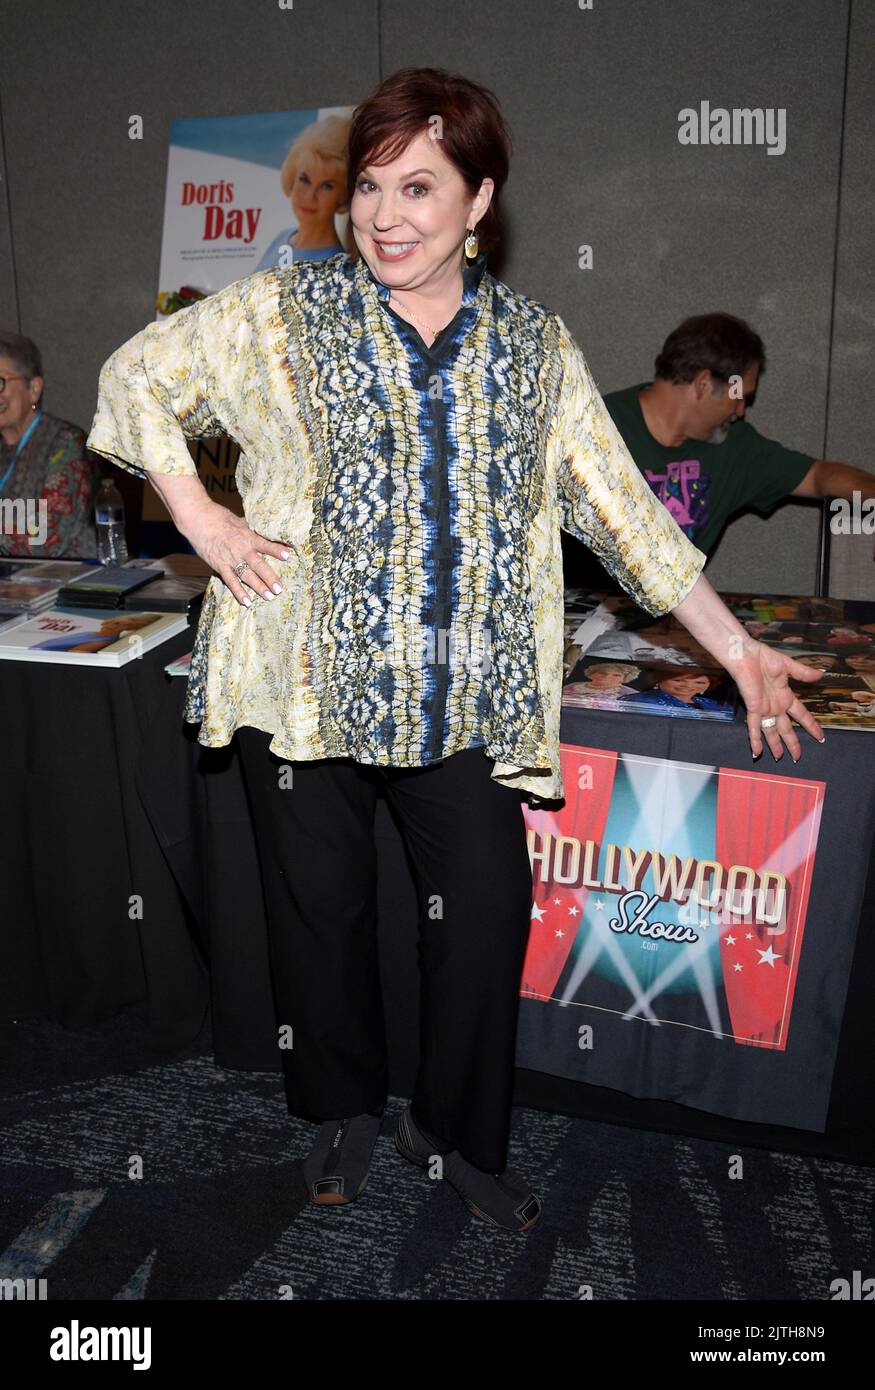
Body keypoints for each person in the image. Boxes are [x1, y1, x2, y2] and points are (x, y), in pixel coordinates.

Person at [86, 67, 825, 1236]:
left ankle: (457, 1129)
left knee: (479, 914)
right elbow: (136, 376)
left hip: (466, 698)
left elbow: (625, 514)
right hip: (306, 681)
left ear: (479, 201)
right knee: (319, 913)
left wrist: (735, 651)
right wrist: (204, 520)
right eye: (369, 185)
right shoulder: (283, 312)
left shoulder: (534, 345)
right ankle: (337, 1105)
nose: (382, 213)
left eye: (418, 187)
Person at [562, 312, 875, 584]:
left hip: (670, 629)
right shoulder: (594, 429)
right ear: (703, 384)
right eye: (738, 396)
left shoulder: (734, 445)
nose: (740, 410)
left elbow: (821, 476)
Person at [0, 332, 98, 557]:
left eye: (0, 382)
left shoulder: (66, 444)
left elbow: (46, 538)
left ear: (34, 389)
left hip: (68, 581)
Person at [254, 114, 351, 272]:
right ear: (292, 176)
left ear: (343, 195)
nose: (309, 196)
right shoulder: (283, 238)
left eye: (327, 186)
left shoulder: (335, 268)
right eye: (305, 180)